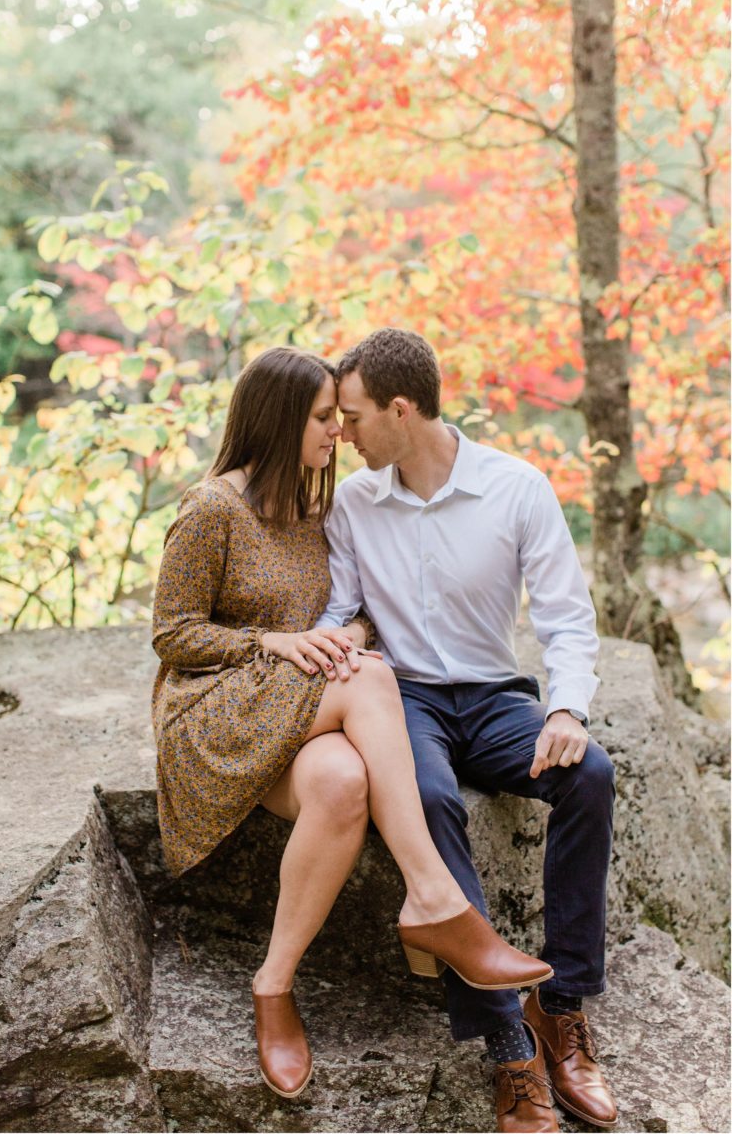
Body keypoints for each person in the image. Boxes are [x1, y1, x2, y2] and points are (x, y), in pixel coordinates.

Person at [150, 346, 552, 1101]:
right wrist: (271, 640)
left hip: (297, 709)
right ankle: (433, 895)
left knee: (343, 781)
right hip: (215, 712)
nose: (338, 431)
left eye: (340, 416)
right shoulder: (212, 508)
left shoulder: (318, 510)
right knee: (370, 681)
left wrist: (350, 636)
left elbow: (354, 606)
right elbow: (173, 634)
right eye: (323, 417)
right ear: (277, 421)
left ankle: (273, 983)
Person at [317, 328, 618, 1133]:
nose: (341, 432)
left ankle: (564, 1006)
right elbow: (339, 606)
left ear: (401, 409)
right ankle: (509, 1047)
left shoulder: (516, 488)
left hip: (494, 699)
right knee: (427, 797)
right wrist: (339, 633)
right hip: (404, 699)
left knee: (591, 775)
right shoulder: (355, 500)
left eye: (352, 416)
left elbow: (566, 620)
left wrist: (565, 708)